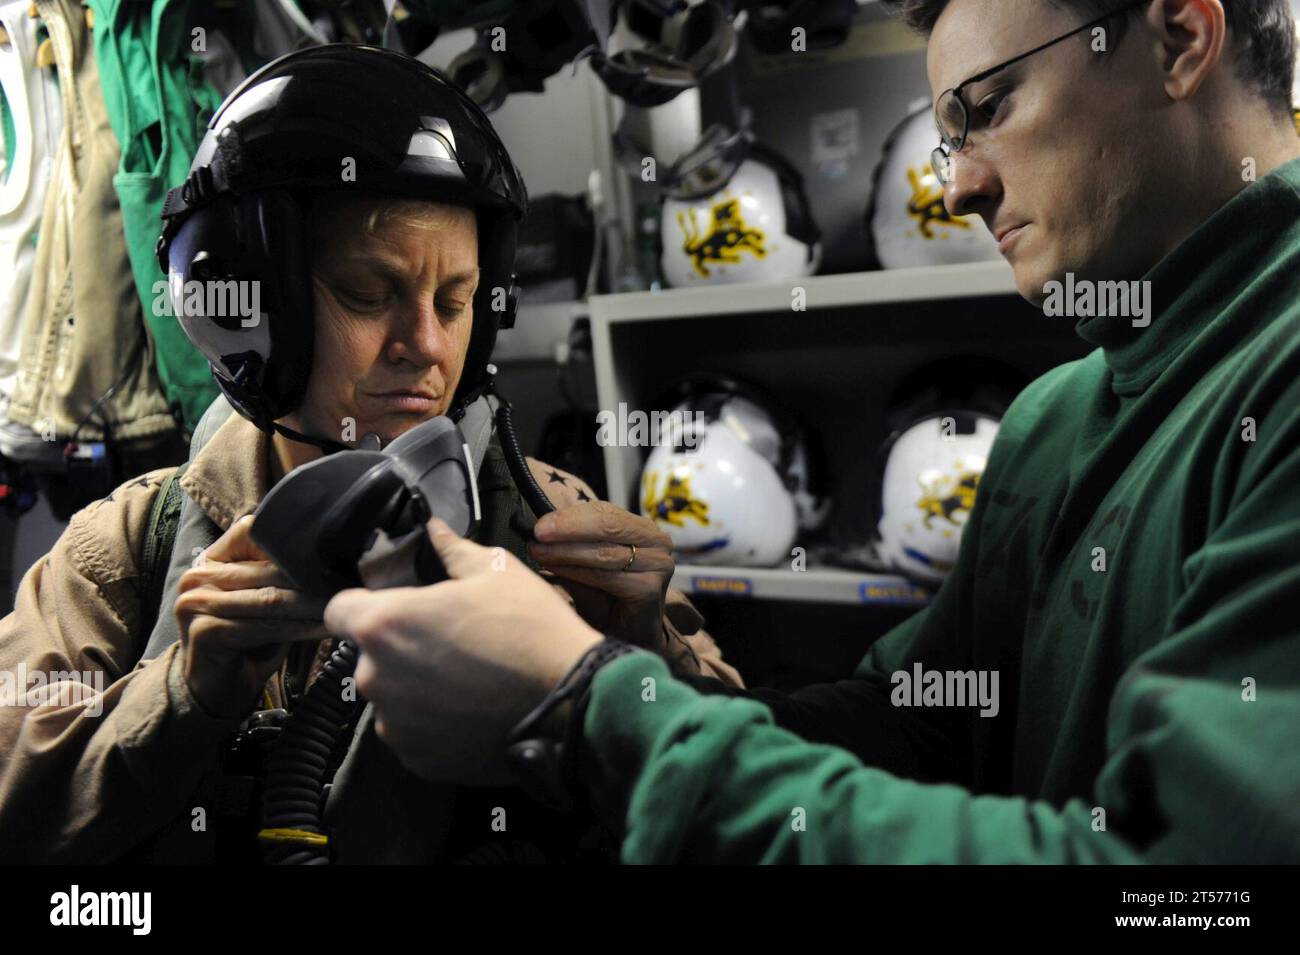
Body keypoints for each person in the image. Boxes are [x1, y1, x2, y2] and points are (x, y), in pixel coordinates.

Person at [321, 0, 1300, 863]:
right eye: (947, 138)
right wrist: (646, 681)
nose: (959, 190)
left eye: (987, 110)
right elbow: (921, 722)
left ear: (1180, 36)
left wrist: (586, 714)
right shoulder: (1056, 416)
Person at [0, 44, 738, 864]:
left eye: (455, 301)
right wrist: (183, 693)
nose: (426, 346)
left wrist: (642, 651)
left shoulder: (555, 522)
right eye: (368, 293)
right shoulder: (123, 548)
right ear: (245, 303)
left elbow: (742, 807)